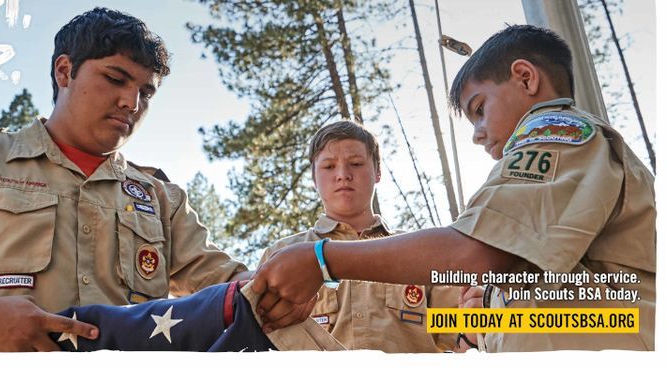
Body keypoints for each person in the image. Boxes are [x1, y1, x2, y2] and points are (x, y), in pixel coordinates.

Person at [0, 7, 251, 352]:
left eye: (147, 92)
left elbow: (239, 289)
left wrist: (311, 260)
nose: (132, 102)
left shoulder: (162, 199)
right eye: (115, 79)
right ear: (64, 71)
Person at [251, 25, 655, 351]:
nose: (478, 135)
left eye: (479, 109)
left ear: (525, 78)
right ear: (313, 176)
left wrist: (322, 260)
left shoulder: (559, 135)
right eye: (329, 166)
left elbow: (472, 260)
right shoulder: (285, 253)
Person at [258, 120, 461, 353]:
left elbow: (460, 334)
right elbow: (259, 339)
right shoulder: (281, 256)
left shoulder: (423, 252)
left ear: (377, 172)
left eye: (355, 163)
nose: (343, 175)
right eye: (329, 167)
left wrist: (476, 323)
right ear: (314, 178)